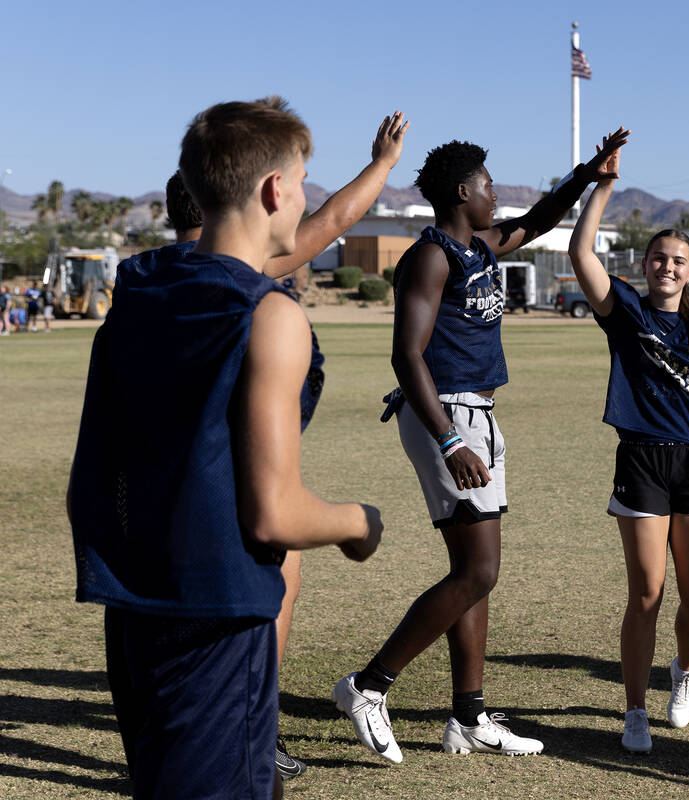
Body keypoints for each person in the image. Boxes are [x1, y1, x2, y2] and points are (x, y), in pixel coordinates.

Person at [69, 96, 385, 800]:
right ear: (276, 190)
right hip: (215, 618)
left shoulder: (140, 295)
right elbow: (274, 516)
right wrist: (360, 523)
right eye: (302, 181)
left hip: (134, 606)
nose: (304, 198)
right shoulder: (269, 315)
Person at [334, 127, 629, 762]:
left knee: (474, 574)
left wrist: (588, 173)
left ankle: (469, 717)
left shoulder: (483, 245)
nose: (495, 193)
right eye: (488, 184)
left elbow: (543, 217)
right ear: (464, 191)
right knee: (480, 569)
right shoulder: (431, 256)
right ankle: (368, 685)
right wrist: (447, 441)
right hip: (448, 419)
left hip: (477, 416)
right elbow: (405, 355)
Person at [567, 136, 689, 753]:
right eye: (658, 258)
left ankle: (685, 673)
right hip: (642, 460)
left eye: (678, 261)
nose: (667, 267)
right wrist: (605, 186)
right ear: (644, 266)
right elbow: (579, 251)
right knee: (646, 593)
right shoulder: (624, 313)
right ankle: (635, 710)